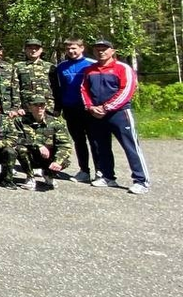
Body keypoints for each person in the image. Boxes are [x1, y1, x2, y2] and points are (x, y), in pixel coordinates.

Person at [81, 39, 149, 195]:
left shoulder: (122, 68)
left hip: (120, 114)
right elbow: (84, 89)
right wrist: (91, 107)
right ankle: (107, 176)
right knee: (101, 146)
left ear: (112, 51)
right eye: (97, 49)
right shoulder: (90, 70)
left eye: (104, 49)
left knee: (131, 147)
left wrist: (106, 107)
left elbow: (126, 91)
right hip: (96, 114)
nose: (101, 51)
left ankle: (141, 180)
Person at [52, 36, 96, 182]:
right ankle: (84, 171)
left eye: (74, 48)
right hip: (70, 109)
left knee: (94, 141)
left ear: (81, 48)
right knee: (79, 141)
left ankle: (101, 172)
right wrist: (59, 107)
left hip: (89, 110)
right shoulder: (61, 67)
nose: (71, 51)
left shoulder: (92, 65)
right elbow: (58, 89)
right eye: (68, 49)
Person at [16, 95, 72, 191]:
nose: (39, 108)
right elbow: (16, 139)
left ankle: (48, 174)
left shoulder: (55, 123)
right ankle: (30, 177)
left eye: (42, 105)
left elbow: (65, 145)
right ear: (29, 107)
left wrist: (57, 161)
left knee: (64, 160)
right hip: (31, 156)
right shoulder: (21, 121)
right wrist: (39, 145)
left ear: (45, 106)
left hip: (48, 157)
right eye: (36, 105)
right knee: (19, 149)